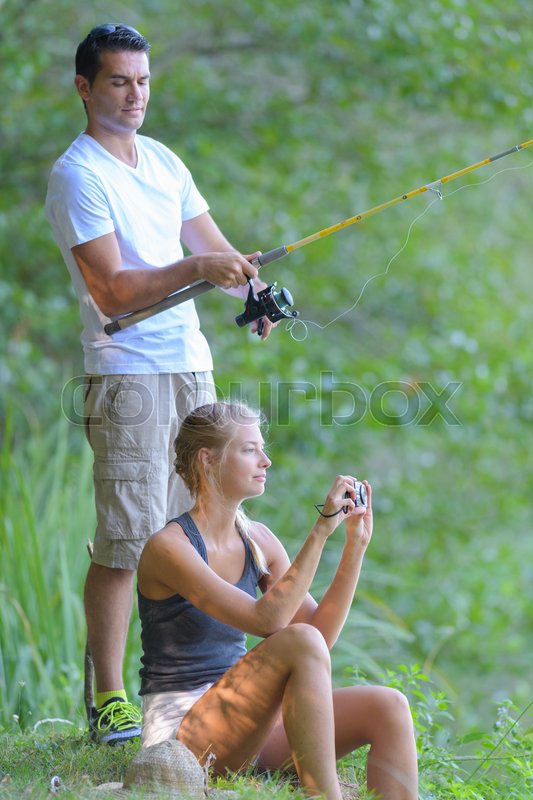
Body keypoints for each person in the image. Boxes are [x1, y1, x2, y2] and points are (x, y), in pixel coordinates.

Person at [45, 24, 276, 744]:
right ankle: (109, 698)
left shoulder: (165, 162)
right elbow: (113, 291)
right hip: (128, 376)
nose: (135, 94)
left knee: (203, 528)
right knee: (130, 537)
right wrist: (196, 270)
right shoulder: (77, 175)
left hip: (191, 365)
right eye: (119, 81)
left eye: (143, 81)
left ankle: (192, 685)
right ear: (85, 87)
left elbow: (215, 250)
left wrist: (250, 287)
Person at [137, 401, 419, 800]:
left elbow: (318, 636)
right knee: (297, 640)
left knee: (388, 706)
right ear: (208, 460)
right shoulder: (170, 548)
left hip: (248, 726)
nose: (266, 461)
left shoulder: (259, 540)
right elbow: (266, 621)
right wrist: (320, 531)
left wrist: (354, 545)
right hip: (183, 735)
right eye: (249, 449)